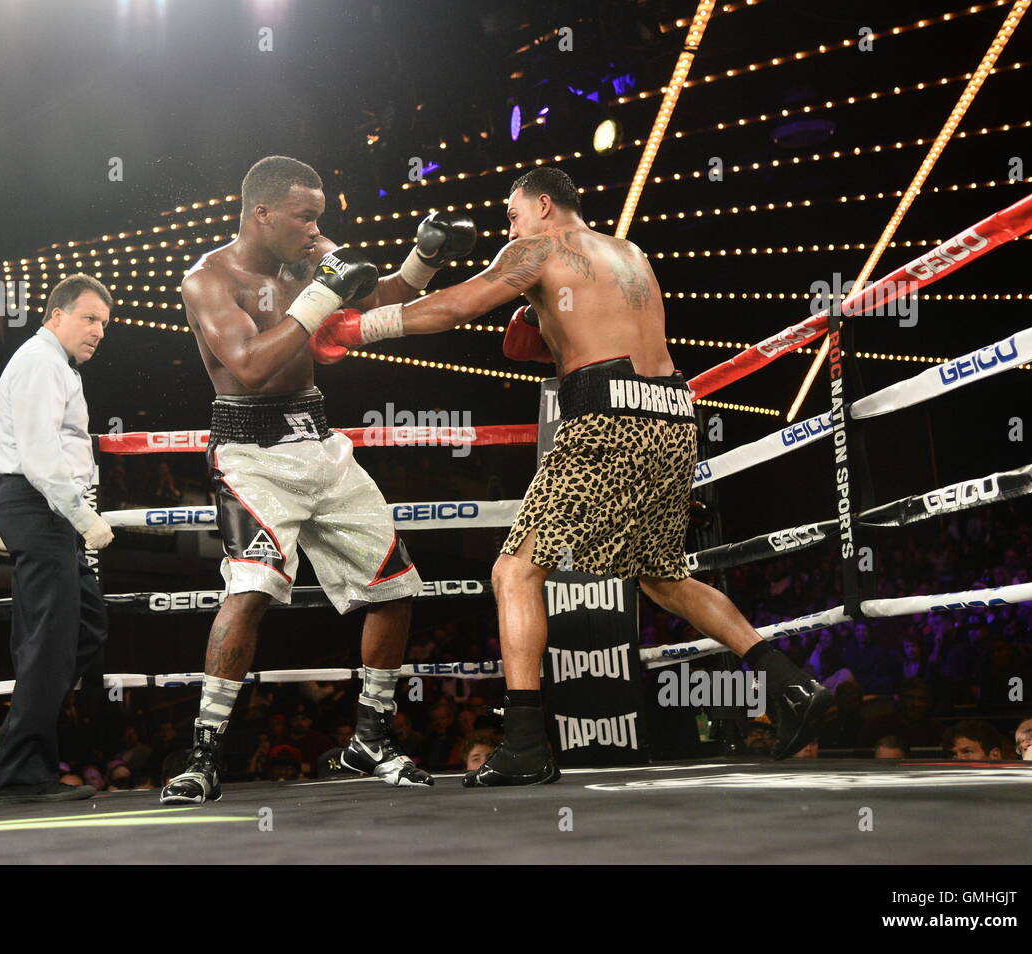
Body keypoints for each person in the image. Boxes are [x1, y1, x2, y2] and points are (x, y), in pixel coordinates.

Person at [310, 165, 831, 785]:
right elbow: (524, 346)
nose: (509, 225)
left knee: (514, 570)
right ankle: (794, 687)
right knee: (662, 577)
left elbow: (452, 309)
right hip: (673, 416)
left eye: (513, 212)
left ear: (545, 205)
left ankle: (527, 742)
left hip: (607, 421)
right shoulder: (630, 254)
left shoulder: (535, 248)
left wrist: (355, 328)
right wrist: (535, 305)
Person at [160, 156, 475, 804]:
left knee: (394, 584)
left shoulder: (310, 256)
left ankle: (371, 739)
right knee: (250, 589)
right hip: (250, 452)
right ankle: (204, 755)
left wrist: (425, 258)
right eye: (305, 218)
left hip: (320, 441)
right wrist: (320, 296)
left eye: (320, 219)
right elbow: (246, 365)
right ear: (262, 213)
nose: (316, 231)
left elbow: (378, 293)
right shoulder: (207, 279)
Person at [0, 273, 114, 802]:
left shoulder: (55, 365)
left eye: (104, 323)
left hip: (47, 510)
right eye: (89, 318)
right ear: (55, 316)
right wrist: (86, 519)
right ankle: (21, 772)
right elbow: (40, 457)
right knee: (50, 642)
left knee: (85, 627)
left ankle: (14, 738)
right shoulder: (40, 363)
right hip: (42, 507)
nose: (98, 331)